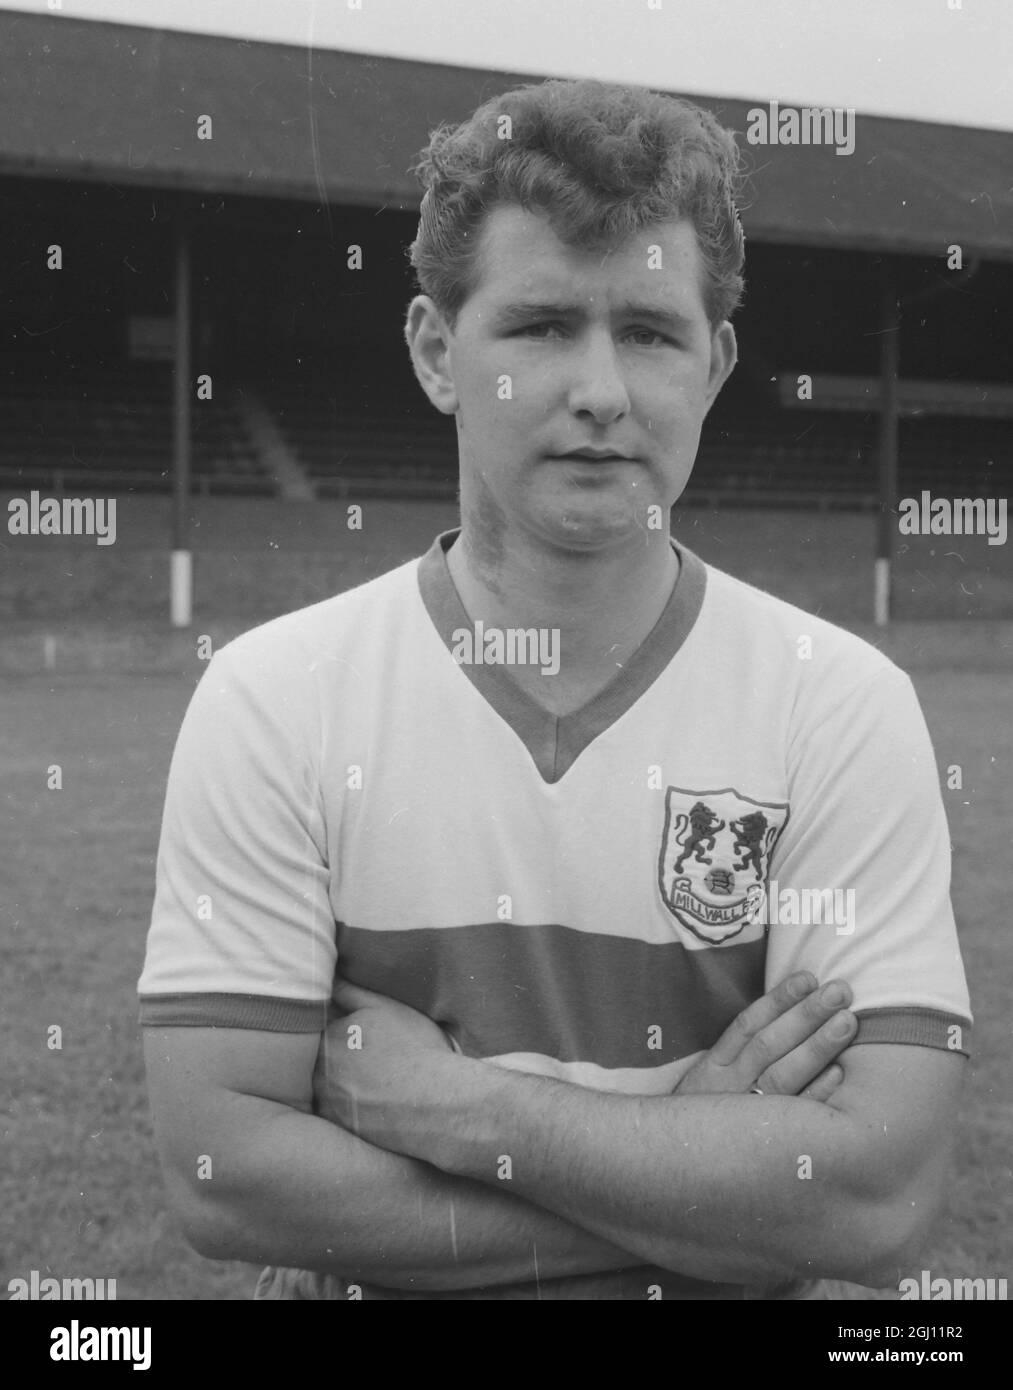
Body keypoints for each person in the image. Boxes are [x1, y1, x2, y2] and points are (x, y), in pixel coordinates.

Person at [139, 78, 972, 1300]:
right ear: (436, 352)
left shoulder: (837, 705)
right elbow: (226, 1177)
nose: (600, 390)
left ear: (713, 365)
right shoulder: (277, 699)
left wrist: (457, 1108)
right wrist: (691, 1165)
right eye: (539, 327)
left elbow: (872, 1197)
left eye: (648, 332)